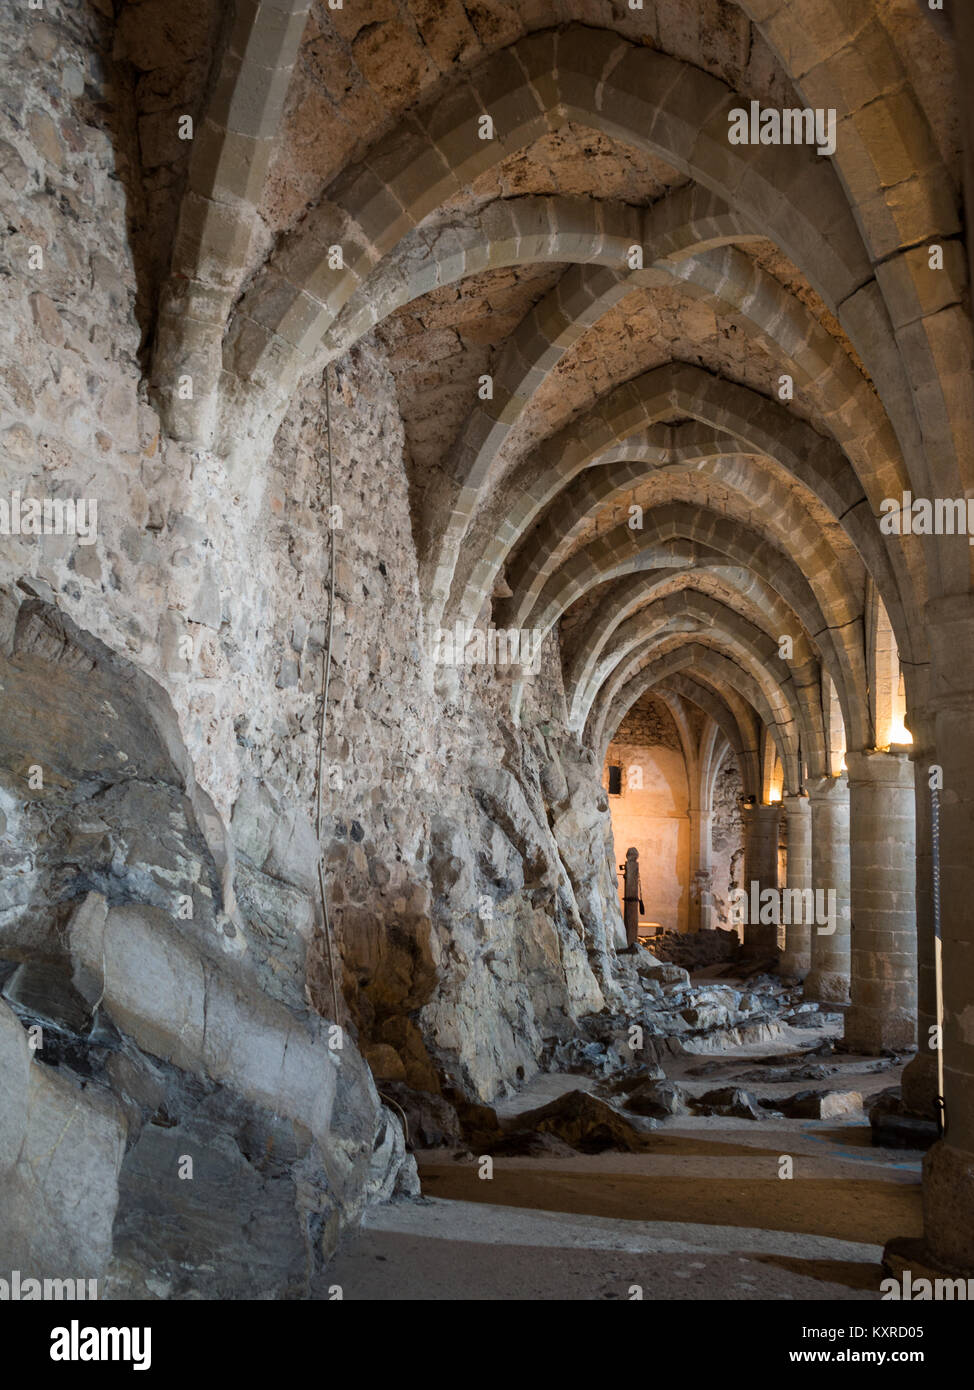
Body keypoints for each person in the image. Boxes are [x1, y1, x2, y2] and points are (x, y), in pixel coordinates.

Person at [621, 846, 644, 952]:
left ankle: (631, 942)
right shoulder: (632, 865)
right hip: (630, 899)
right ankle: (630, 942)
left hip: (632, 899)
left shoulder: (633, 866)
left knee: (631, 922)